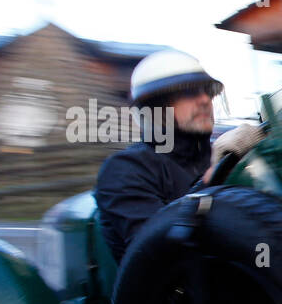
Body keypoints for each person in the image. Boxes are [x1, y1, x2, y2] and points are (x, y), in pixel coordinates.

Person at [94, 49, 262, 264]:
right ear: (154, 108)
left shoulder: (221, 155)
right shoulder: (124, 169)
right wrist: (213, 178)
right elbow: (157, 250)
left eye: (207, 91)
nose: (204, 100)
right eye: (188, 92)